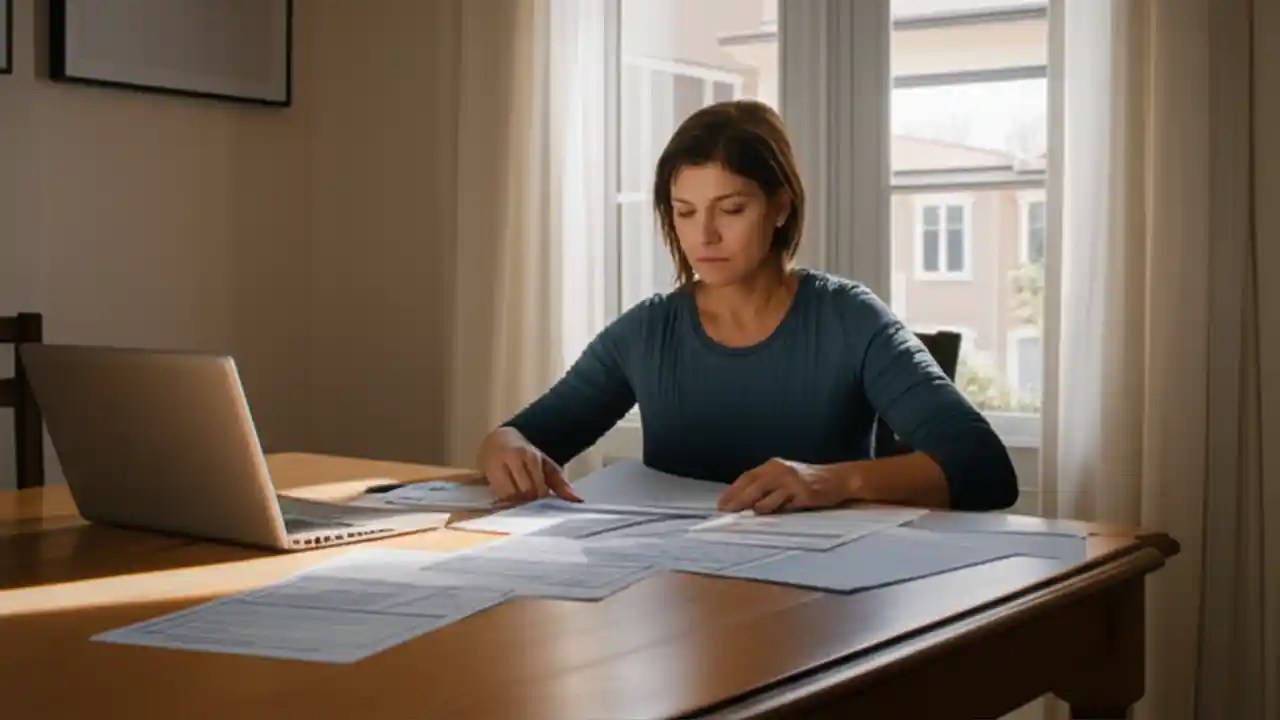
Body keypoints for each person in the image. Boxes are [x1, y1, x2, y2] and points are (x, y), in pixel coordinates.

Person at [475, 100, 1017, 514]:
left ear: (780, 207)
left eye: (730, 208)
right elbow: (522, 434)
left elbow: (985, 468)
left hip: (823, 603)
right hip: (674, 599)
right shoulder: (648, 331)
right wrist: (505, 447)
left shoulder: (850, 320)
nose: (703, 235)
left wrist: (830, 481)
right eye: (684, 212)